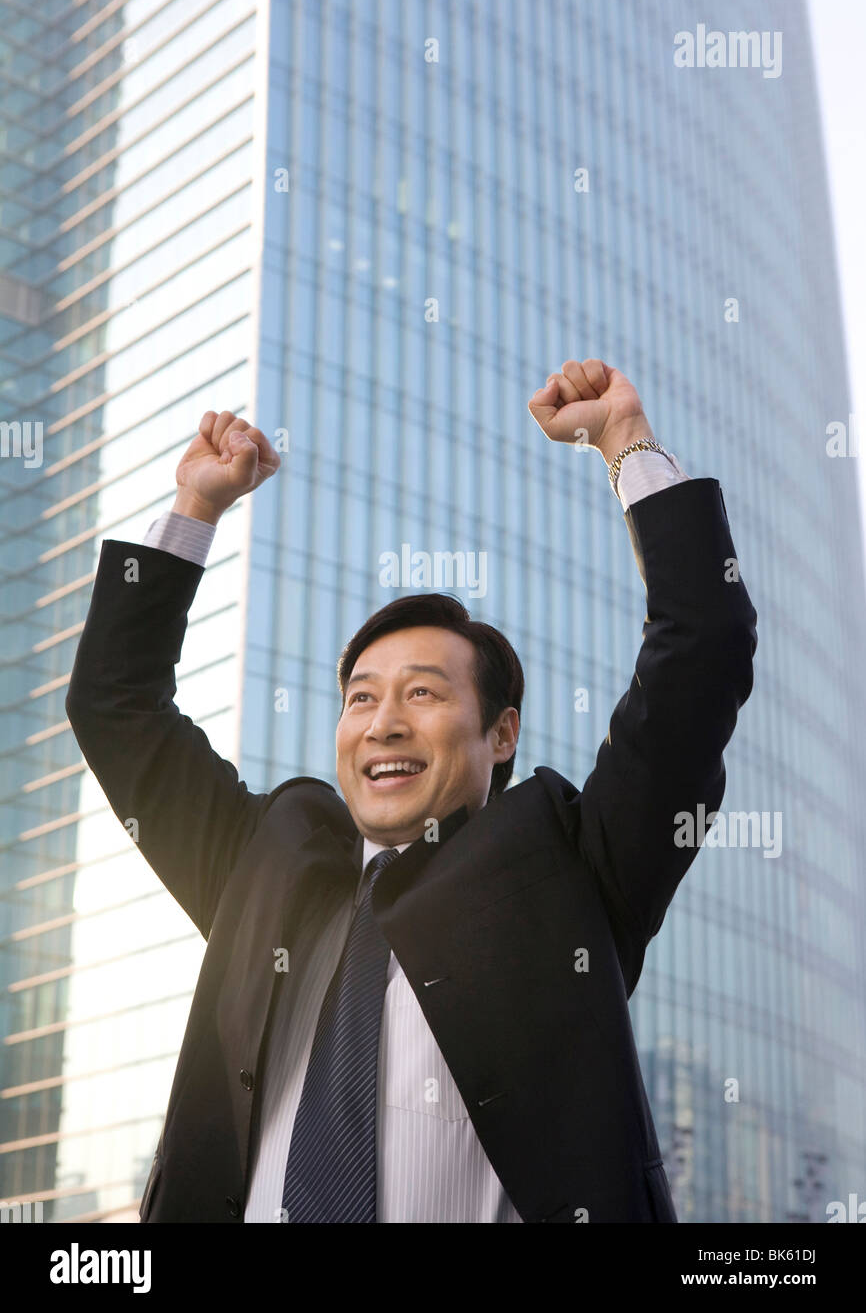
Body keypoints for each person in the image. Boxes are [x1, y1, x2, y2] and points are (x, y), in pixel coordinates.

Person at [65, 359, 757, 1222]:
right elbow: (114, 704)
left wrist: (624, 442)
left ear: (501, 733)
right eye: (362, 697)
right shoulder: (264, 871)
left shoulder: (576, 872)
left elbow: (701, 655)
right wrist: (196, 508)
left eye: (423, 693)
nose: (383, 722)